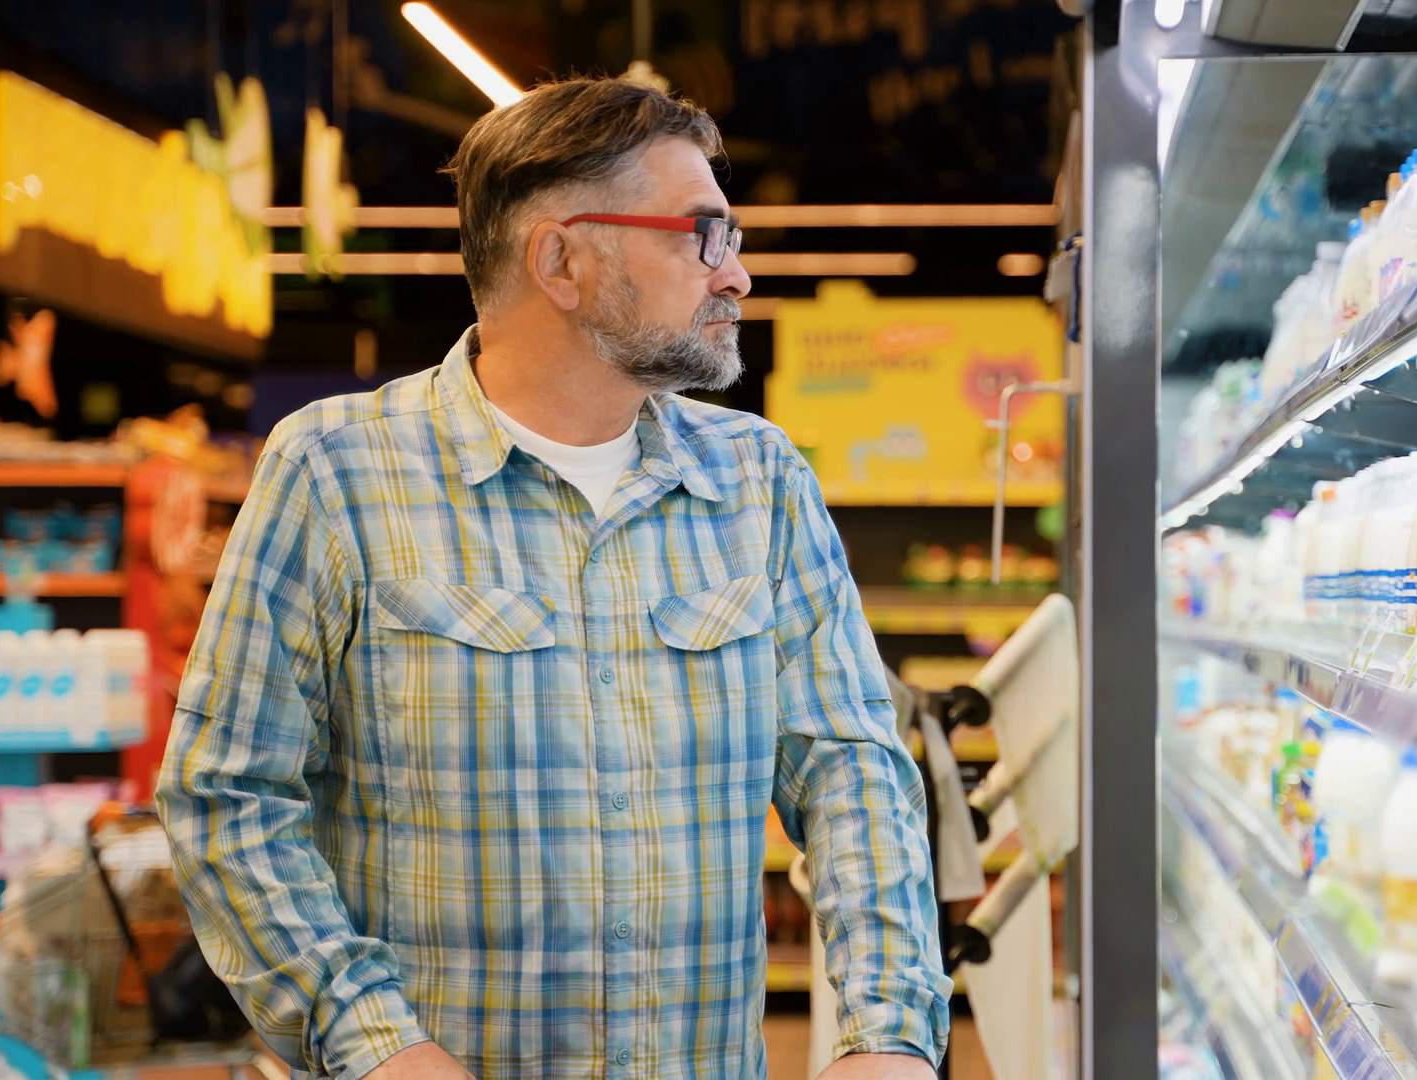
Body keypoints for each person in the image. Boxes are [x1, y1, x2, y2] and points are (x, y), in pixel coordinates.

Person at [158, 77, 950, 1080]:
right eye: (700, 237)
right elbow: (227, 793)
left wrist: (889, 1034)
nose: (735, 276)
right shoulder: (338, 476)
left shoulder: (760, 482)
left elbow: (852, 774)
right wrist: (376, 1044)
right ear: (563, 260)